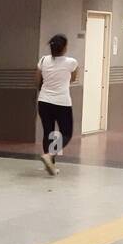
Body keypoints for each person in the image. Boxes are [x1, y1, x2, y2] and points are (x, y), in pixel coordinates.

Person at [36, 34, 79, 176]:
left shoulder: (43, 60)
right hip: (62, 102)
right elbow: (73, 79)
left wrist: (45, 92)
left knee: (48, 132)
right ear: (65, 47)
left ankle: (50, 166)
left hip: (44, 101)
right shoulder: (71, 62)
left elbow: (37, 81)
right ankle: (50, 155)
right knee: (66, 133)